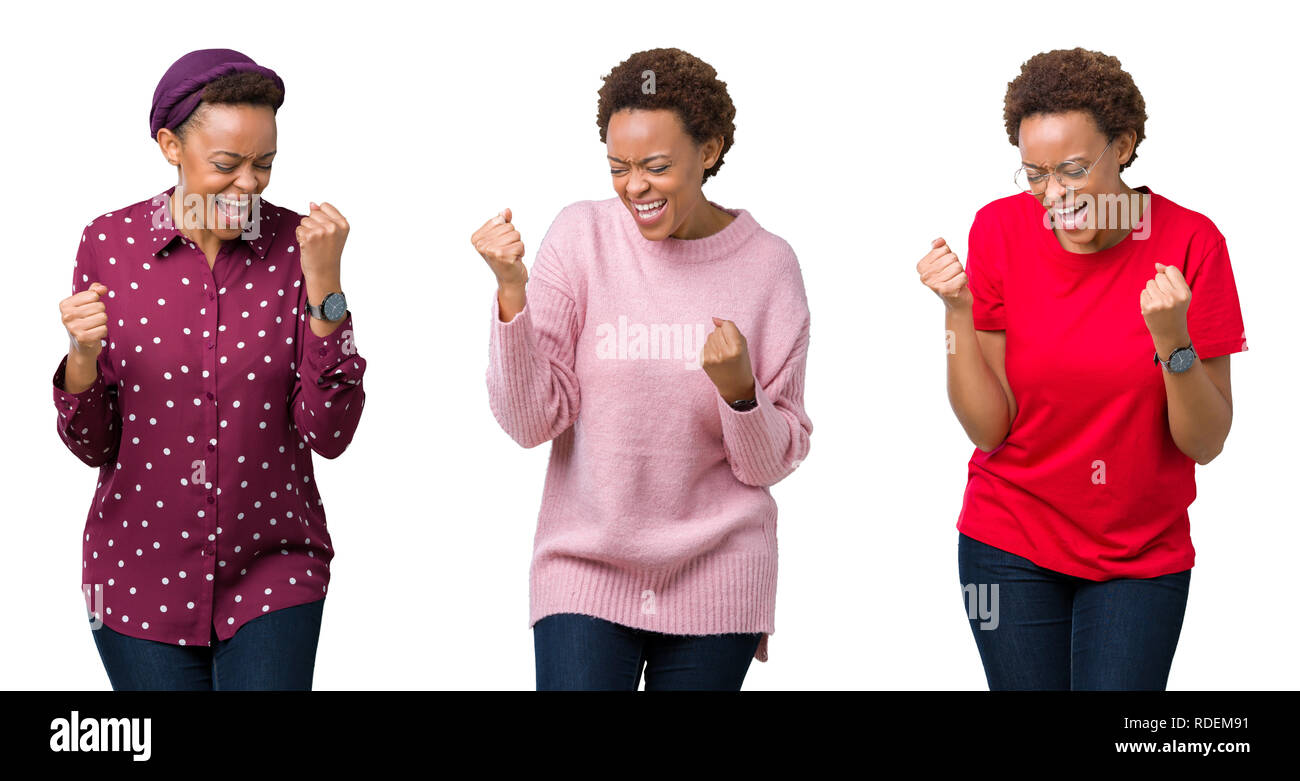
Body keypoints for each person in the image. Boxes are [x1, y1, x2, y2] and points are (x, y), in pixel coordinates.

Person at [471, 47, 812, 690]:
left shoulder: (769, 267)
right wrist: (511, 294)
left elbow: (770, 465)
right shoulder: (580, 238)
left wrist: (741, 392)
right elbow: (528, 422)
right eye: (619, 167)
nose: (635, 188)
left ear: (708, 150)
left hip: (719, 573)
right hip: (585, 567)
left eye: (656, 167)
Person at [916, 48, 1245, 690]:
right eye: (1035, 173)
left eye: (1072, 169)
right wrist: (958, 312)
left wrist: (1173, 340)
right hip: (1008, 541)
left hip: (1140, 556)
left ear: (1122, 145)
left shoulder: (1191, 242)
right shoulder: (999, 229)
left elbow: (1205, 444)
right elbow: (989, 430)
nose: (1055, 196)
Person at [54, 48, 366, 690]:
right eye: (226, 164)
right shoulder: (108, 246)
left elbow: (330, 432)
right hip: (136, 579)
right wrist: (81, 360)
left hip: (275, 571)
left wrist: (326, 288)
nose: (248, 184)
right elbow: (92, 445)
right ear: (170, 145)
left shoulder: (299, 247)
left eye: (265, 164)